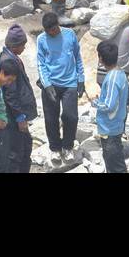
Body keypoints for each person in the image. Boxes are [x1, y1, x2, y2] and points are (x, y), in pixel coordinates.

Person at [37, 10, 85, 165]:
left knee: (71, 116)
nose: (52, 32)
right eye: (49, 30)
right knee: (51, 118)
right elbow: (41, 64)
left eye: (54, 29)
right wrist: (47, 84)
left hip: (70, 82)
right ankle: (55, 148)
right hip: (51, 84)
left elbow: (77, 57)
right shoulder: (41, 39)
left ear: (58, 25)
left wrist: (81, 80)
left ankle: (68, 146)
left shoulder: (70, 34)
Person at [0, 25, 37, 173]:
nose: (24, 48)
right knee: (17, 152)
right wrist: (20, 117)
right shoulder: (7, 62)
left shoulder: (11, 58)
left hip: (15, 115)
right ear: (15, 45)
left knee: (24, 148)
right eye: (23, 45)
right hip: (12, 117)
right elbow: (10, 94)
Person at [96, 40, 129, 173]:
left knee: (115, 165)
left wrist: (96, 103)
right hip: (117, 125)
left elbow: (109, 106)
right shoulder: (120, 74)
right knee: (116, 162)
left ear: (101, 59)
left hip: (110, 128)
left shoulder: (111, 79)